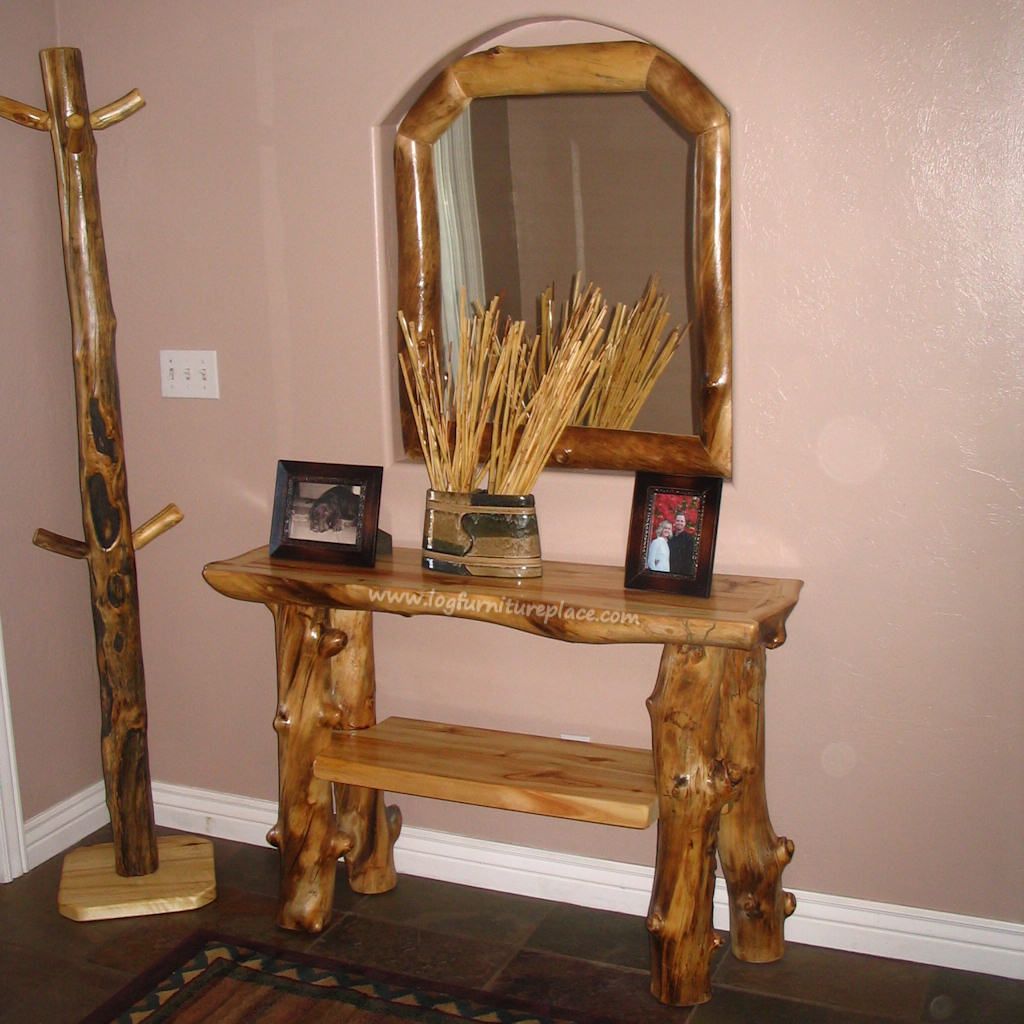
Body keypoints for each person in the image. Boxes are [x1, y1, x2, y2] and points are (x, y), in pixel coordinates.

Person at [668, 510, 696, 576]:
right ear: (674, 522)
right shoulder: (670, 536)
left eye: (682, 521)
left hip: (682, 572)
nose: (679, 523)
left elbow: (689, 560)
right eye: (678, 520)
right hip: (668, 569)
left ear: (685, 523)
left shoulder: (689, 539)